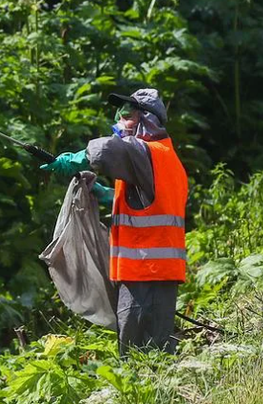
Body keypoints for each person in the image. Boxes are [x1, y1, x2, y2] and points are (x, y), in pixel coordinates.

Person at [40, 88, 189, 355]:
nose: (121, 120)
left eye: (128, 115)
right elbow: (148, 204)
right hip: (151, 273)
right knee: (146, 353)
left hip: (147, 272)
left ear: (148, 119)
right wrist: (104, 194)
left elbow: (106, 149)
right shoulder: (163, 157)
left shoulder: (145, 151)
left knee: (140, 356)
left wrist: (77, 158)